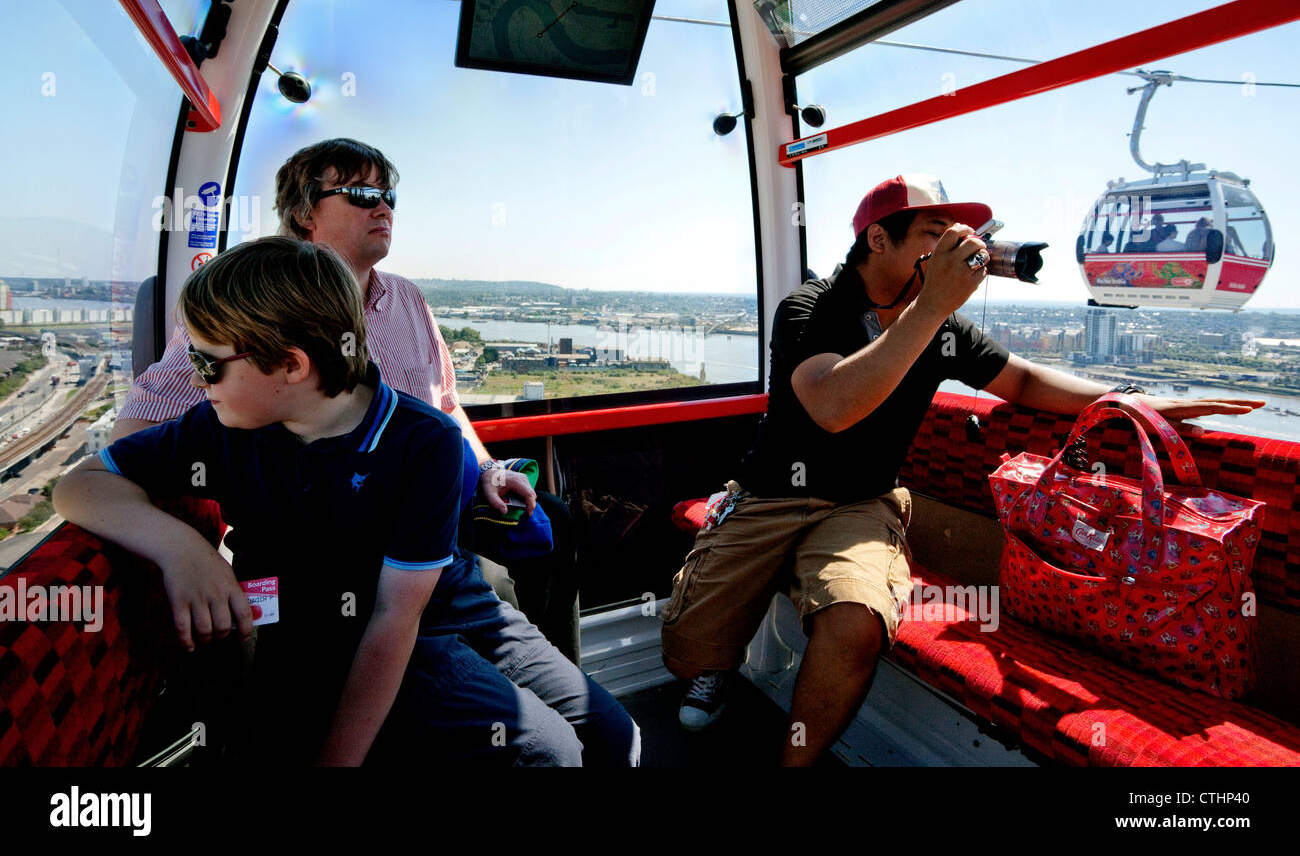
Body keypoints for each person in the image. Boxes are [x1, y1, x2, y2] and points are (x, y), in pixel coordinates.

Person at [659, 173, 1264, 766]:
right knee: (687, 654)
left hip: (860, 504)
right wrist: (930, 307)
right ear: (878, 240)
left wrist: (1135, 401)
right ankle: (715, 664)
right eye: (934, 231)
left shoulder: (941, 325)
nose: (955, 246)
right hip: (771, 494)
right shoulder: (813, 308)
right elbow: (833, 407)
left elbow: (1022, 379)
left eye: (959, 234)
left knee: (855, 625)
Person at [55, 238, 638, 766]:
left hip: (440, 611)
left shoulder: (424, 441)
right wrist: (182, 547)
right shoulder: (219, 430)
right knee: (549, 753)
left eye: (207, 363)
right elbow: (78, 485)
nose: (197, 379)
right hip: (326, 632)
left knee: (619, 739)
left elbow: (396, 616)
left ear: (291, 364)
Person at [112, 138, 579, 661]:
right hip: (345, 532)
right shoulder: (253, 313)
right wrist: (187, 546)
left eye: (388, 195)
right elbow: (133, 435)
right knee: (478, 591)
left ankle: (552, 688)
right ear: (304, 213)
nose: (382, 206)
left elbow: (446, 404)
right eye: (359, 193)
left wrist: (490, 466)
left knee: (550, 519)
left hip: (431, 499)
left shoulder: (406, 299)